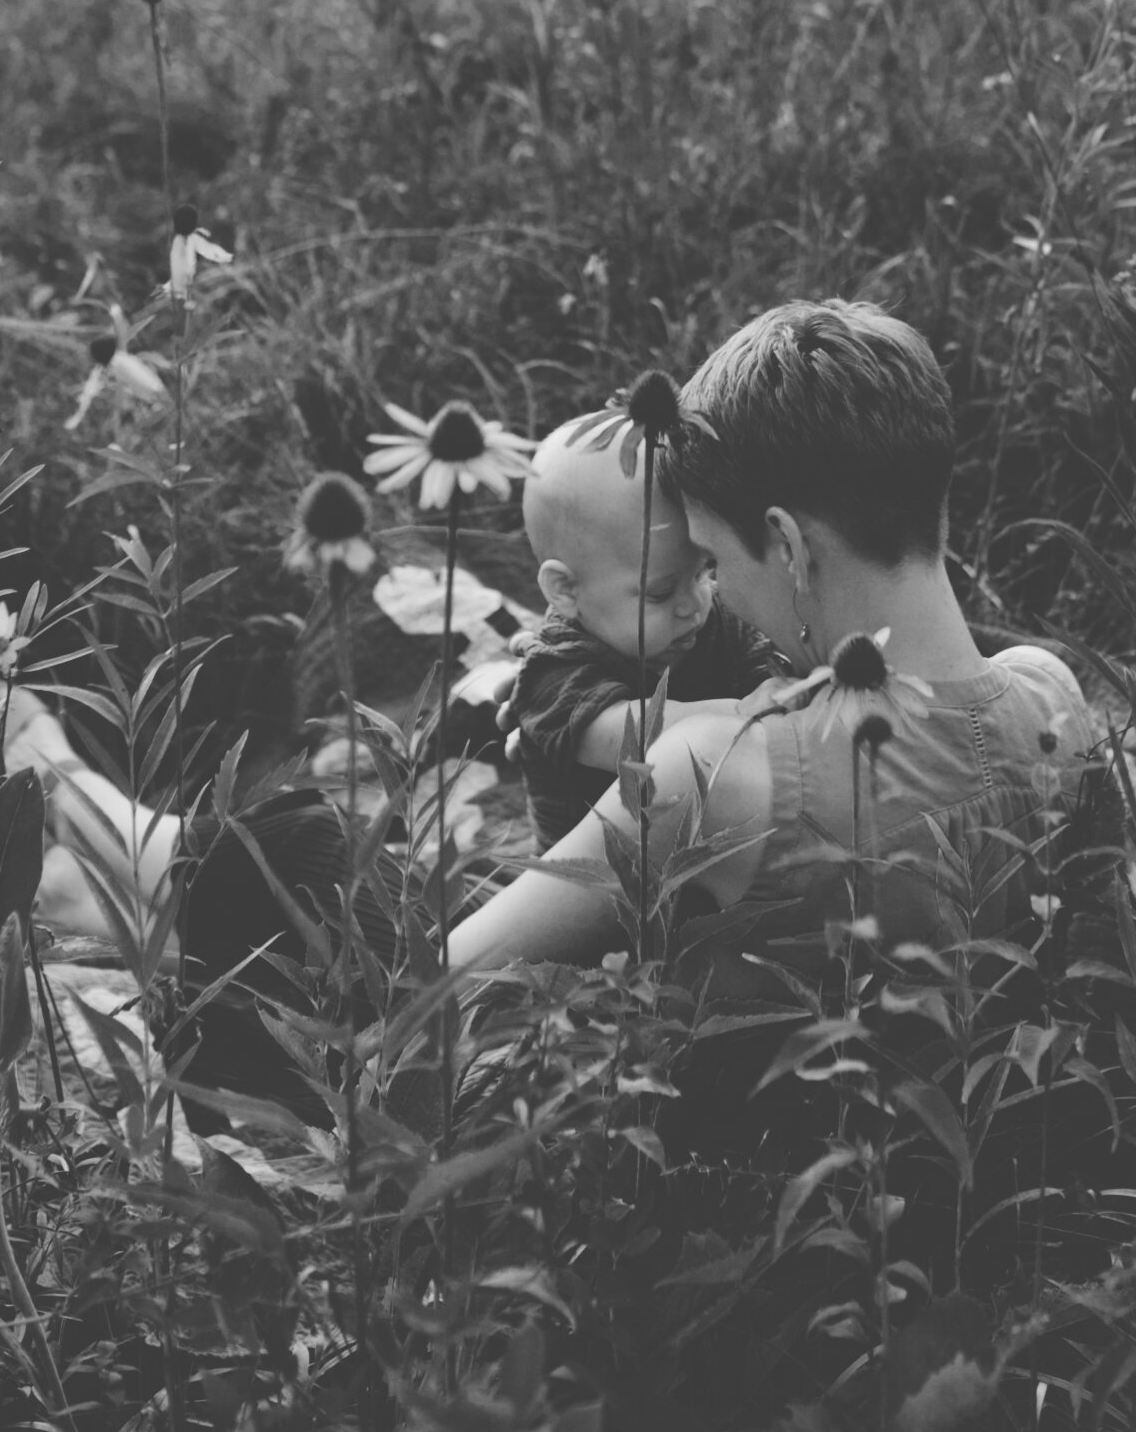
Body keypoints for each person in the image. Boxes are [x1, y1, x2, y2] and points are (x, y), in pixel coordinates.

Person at [447, 300, 1094, 995]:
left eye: (714, 560)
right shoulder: (1054, 692)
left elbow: (440, 991)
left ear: (787, 546)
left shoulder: (715, 769)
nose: (713, 596)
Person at [507, 413, 783, 849]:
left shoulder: (711, 622)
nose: (694, 603)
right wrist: (755, 709)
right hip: (594, 888)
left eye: (702, 571)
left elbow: (766, 665)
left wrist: (779, 684)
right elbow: (637, 735)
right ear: (565, 589)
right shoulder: (553, 674)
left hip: (700, 856)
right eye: (660, 592)